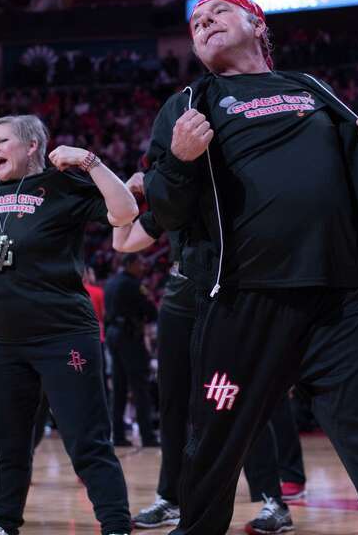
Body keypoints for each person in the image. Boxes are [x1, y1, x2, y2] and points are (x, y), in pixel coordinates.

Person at [144, 0, 358, 535]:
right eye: (196, 23)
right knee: (214, 444)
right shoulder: (188, 105)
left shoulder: (309, 88)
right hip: (243, 302)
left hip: (334, 300)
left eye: (217, 13)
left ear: (257, 25)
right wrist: (180, 160)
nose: (203, 23)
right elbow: (165, 209)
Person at [0, 114, 137, 535]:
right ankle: (3, 523)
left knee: (87, 442)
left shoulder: (63, 185)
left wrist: (90, 161)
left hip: (64, 336)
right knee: (9, 446)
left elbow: (125, 212)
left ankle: (116, 525)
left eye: (1, 140)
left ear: (32, 146)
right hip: (4, 342)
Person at [115, 173, 295, 535]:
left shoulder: (235, 183)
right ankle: (170, 498)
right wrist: (125, 198)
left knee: (236, 401)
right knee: (172, 405)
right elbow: (123, 242)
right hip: (179, 302)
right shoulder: (172, 195)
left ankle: (272, 500)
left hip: (228, 300)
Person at [103, 253, 159, 447]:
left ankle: (117, 435)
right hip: (129, 337)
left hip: (112, 335)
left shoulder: (110, 283)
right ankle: (147, 436)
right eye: (140, 264)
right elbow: (151, 312)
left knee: (118, 388)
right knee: (140, 387)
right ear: (131, 264)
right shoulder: (133, 284)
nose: (142, 268)